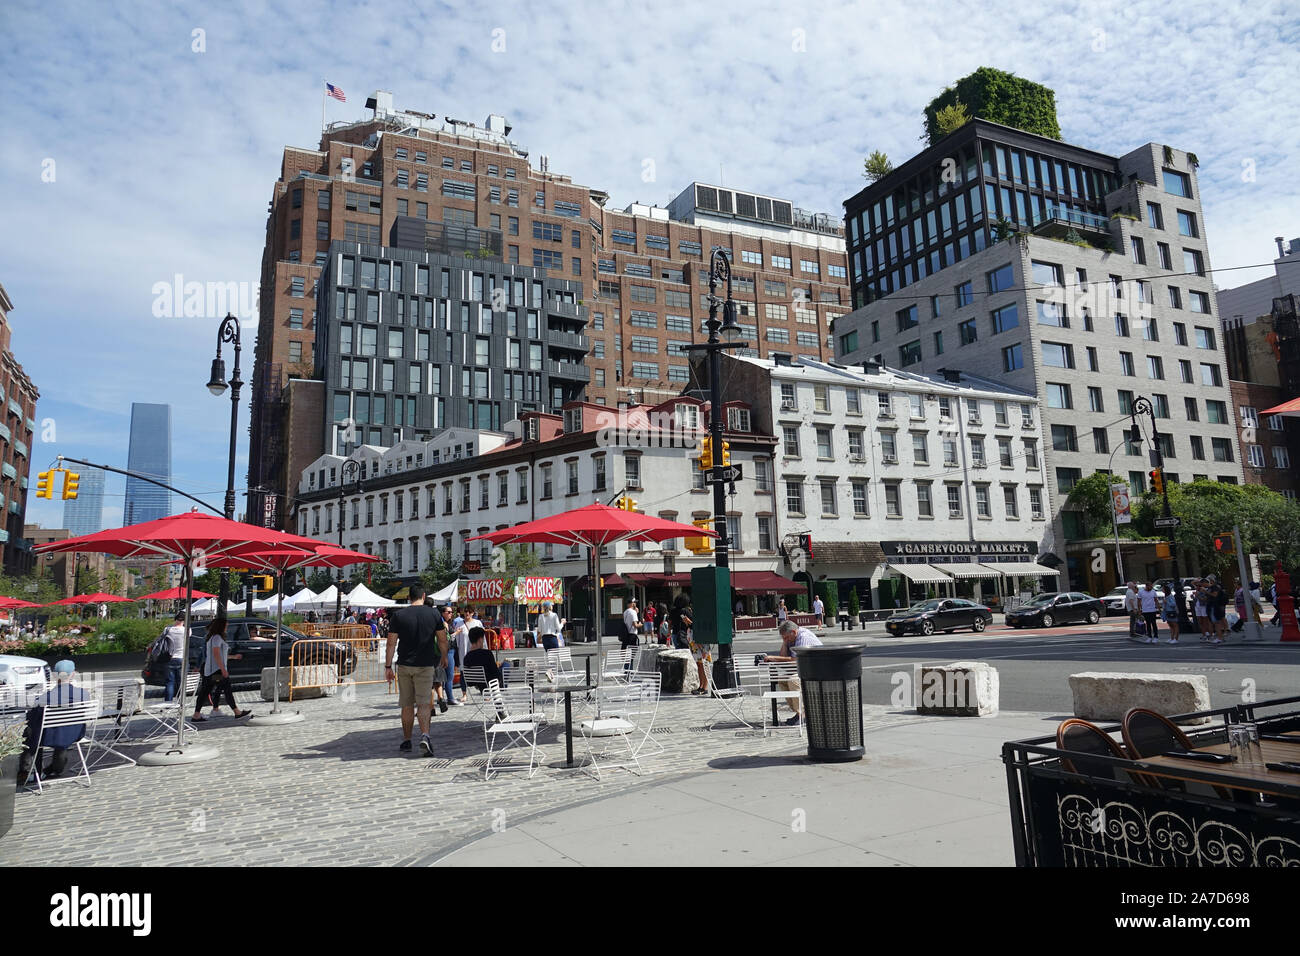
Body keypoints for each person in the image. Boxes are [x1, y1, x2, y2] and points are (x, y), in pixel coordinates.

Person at [384, 584, 447, 756]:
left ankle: (406, 739)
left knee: (406, 705)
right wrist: (444, 656)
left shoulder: (398, 616)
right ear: (424, 596)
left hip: (404, 665)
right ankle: (425, 736)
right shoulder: (433, 614)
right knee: (424, 703)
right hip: (425, 665)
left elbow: (391, 643)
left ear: (409, 597)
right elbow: (442, 639)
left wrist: (388, 666)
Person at [17, 660, 89, 783]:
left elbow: (33, 720)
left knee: (30, 731)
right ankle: (54, 769)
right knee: (62, 730)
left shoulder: (45, 698)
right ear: (72, 674)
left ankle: (25, 771)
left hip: (50, 737)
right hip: (75, 735)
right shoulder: (83, 694)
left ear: (55, 676)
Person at [191, 617, 254, 721]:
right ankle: (236, 712)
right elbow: (216, 654)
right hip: (216, 670)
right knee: (226, 689)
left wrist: (233, 657)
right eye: (226, 626)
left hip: (210, 670)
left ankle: (197, 714)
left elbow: (218, 655)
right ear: (221, 626)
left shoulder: (211, 638)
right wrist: (223, 669)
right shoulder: (217, 638)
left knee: (205, 691)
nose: (226, 628)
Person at [764, 622, 823, 724]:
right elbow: (783, 656)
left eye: (786, 637)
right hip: (805, 668)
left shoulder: (803, 637)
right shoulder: (791, 638)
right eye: (783, 638)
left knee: (793, 680)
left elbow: (796, 661)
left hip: (818, 668)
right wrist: (785, 642)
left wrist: (774, 658)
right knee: (781, 680)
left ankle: (803, 714)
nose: (786, 640)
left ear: (794, 632)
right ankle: (798, 712)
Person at [158, 612, 188, 702]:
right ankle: (180, 702)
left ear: (175, 619)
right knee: (180, 682)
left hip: (169, 658)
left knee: (169, 683)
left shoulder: (167, 629)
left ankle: (168, 703)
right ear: (184, 620)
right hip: (181, 658)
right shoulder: (187, 630)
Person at [1205, 575, 1227, 645]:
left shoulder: (1215, 587)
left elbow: (1215, 595)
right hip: (1212, 606)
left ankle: (1220, 638)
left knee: (1217, 623)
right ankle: (1219, 637)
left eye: (1208, 581)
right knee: (1215, 622)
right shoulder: (1211, 587)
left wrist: (1206, 592)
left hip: (1214, 606)